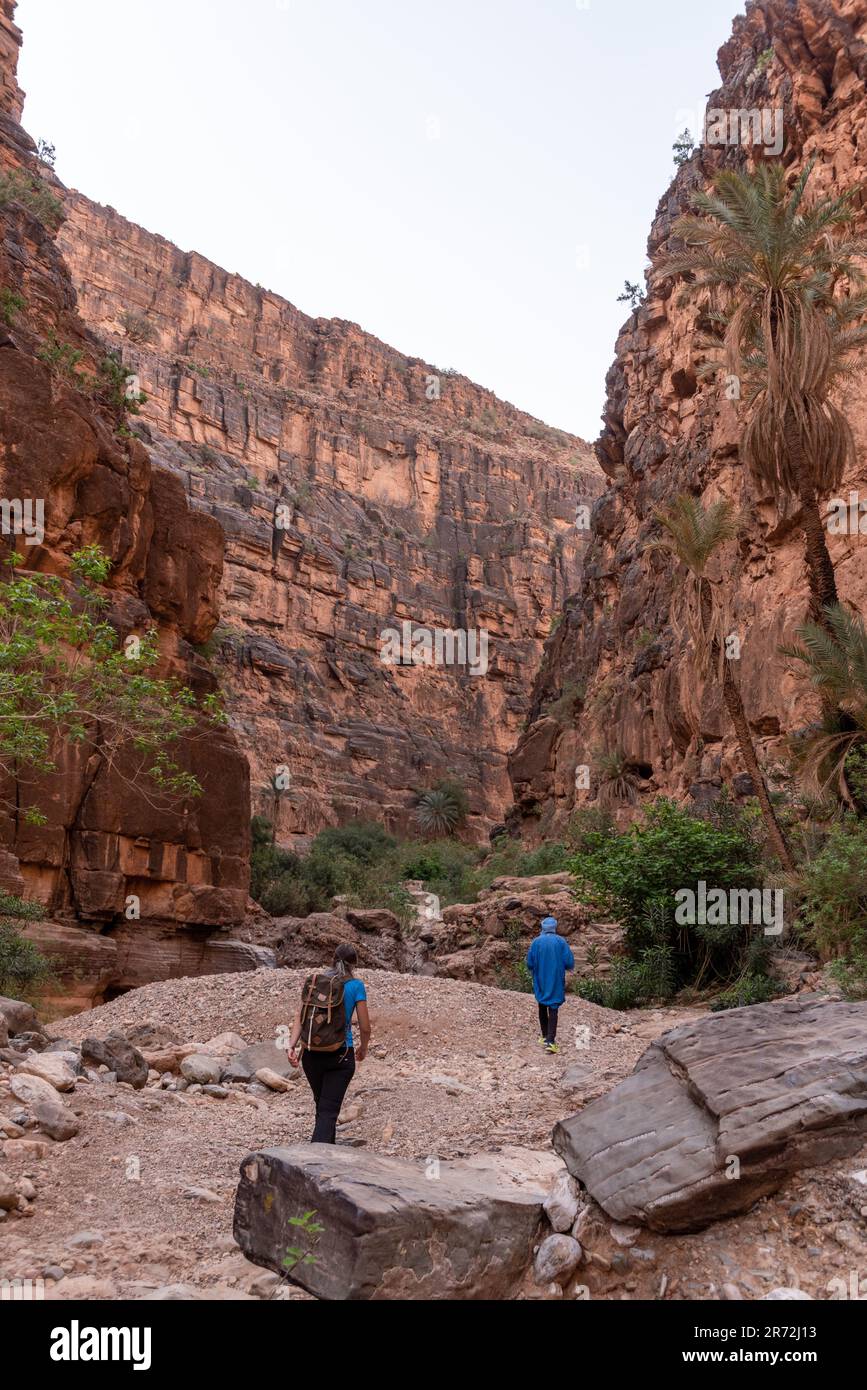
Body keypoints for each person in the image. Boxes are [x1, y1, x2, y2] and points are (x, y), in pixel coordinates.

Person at [287, 944, 370, 1142]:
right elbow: (365, 1026)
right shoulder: (356, 986)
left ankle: (327, 1153)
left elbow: (300, 1016)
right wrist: (363, 1047)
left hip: (311, 1054)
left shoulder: (316, 982)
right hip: (340, 1055)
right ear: (354, 964)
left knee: (323, 1106)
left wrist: (291, 1046)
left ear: (332, 959)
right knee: (329, 1110)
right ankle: (318, 1161)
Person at [526, 916, 574, 1054]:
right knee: (553, 1007)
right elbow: (569, 962)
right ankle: (551, 1041)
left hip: (540, 978)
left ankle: (544, 1036)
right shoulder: (561, 941)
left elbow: (530, 963)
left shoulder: (536, 942)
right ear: (554, 927)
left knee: (541, 1004)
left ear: (542, 927)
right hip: (556, 979)